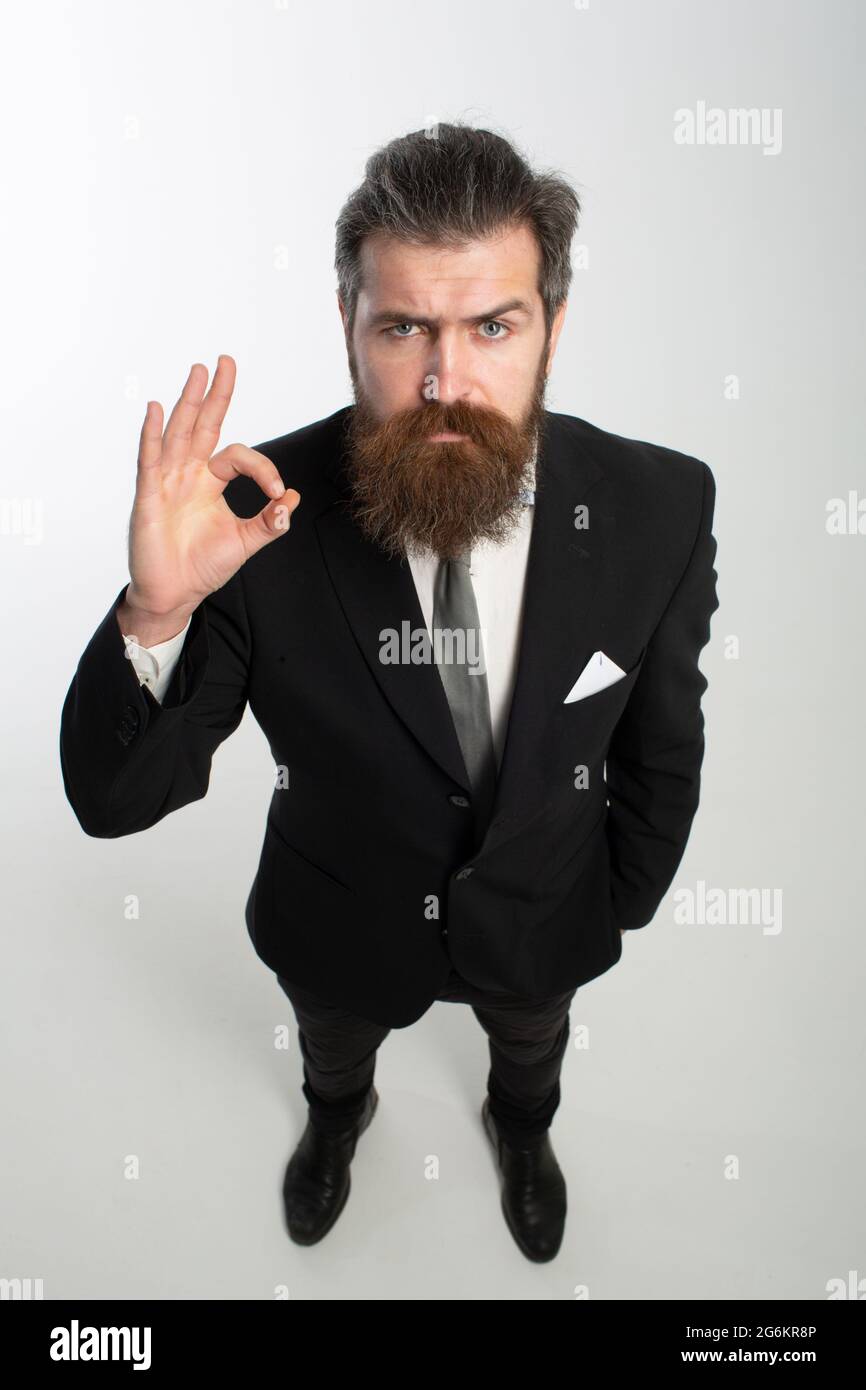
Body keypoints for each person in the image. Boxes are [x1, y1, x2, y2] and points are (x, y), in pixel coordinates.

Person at [60, 122, 719, 1263]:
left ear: (553, 325)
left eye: (493, 326)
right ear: (348, 323)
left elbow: (663, 744)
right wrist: (155, 612)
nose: (443, 384)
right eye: (403, 326)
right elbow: (115, 802)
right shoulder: (252, 516)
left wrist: (613, 902)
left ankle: (522, 1131)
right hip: (338, 920)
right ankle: (336, 1122)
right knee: (331, 1054)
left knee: (532, 1052)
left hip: (545, 913)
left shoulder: (659, 505)